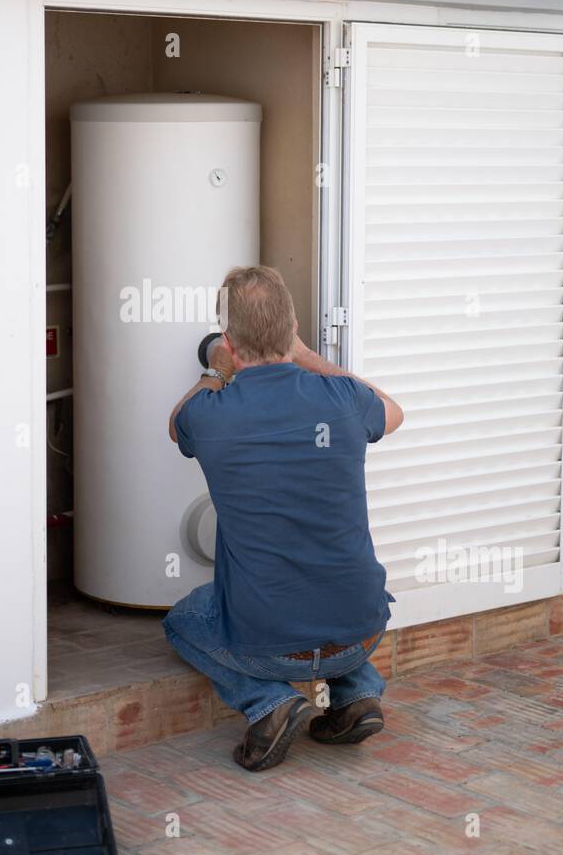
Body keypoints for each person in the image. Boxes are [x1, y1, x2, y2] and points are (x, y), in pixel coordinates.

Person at [163, 265, 403, 772]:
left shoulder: (209, 414)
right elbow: (392, 410)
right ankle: (356, 692)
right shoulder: (343, 400)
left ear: (229, 338)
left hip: (271, 652)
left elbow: (174, 424)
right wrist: (307, 356)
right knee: (328, 598)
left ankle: (268, 703)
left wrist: (214, 369)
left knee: (183, 620)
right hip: (363, 632)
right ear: (292, 327)